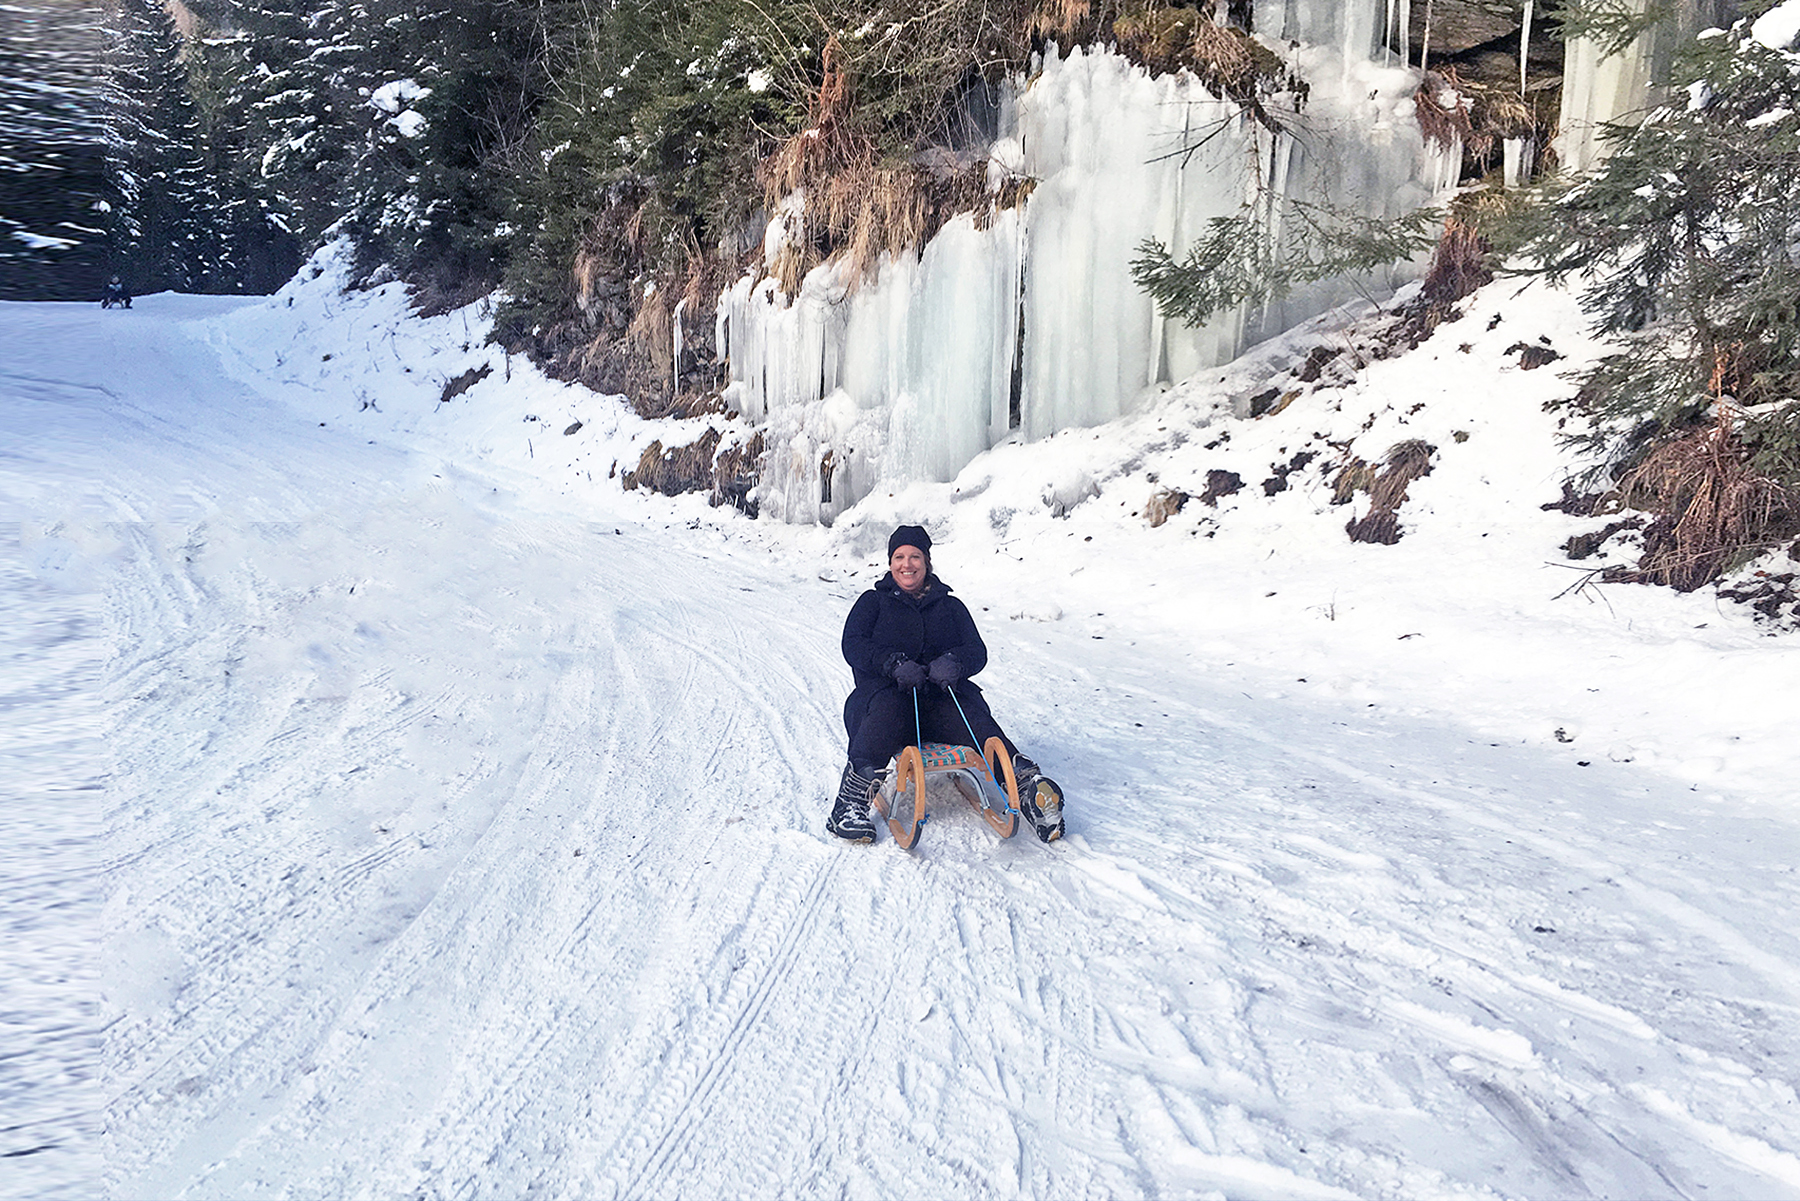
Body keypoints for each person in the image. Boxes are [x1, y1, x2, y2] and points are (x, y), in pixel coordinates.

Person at [828, 524, 1063, 844]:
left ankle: (1026, 788)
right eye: (899, 557)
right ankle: (850, 804)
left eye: (914, 557)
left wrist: (954, 662)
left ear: (926, 562)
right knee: (885, 715)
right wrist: (892, 663)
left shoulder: (950, 606)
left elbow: (976, 651)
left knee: (975, 720)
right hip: (887, 695)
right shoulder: (873, 602)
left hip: (940, 697)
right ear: (890, 562)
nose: (906, 564)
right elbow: (852, 645)